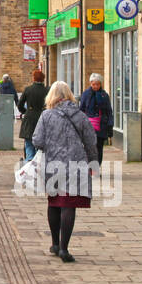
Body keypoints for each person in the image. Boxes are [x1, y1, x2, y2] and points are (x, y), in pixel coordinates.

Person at [30, 81, 98, 262]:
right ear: (69, 95)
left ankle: (54, 244)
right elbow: (91, 141)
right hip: (76, 164)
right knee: (69, 204)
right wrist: (93, 163)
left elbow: (37, 140)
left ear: (52, 96)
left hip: (53, 163)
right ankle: (64, 248)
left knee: (54, 202)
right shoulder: (80, 116)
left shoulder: (46, 115)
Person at [77, 74, 114, 166]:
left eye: (97, 84)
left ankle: (96, 167)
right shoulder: (85, 94)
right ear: (90, 84)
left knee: (99, 148)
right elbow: (81, 110)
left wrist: (110, 126)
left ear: (101, 84)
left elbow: (109, 111)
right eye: (94, 84)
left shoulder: (104, 95)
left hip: (101, 126)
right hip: (88, 126)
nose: (96, 86)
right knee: (88, 147)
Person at [17, 69, 47, 161]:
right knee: (40, 145)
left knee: (29, 144)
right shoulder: (47, 90)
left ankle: (29, 164)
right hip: (43, 118)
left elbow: (20, 105)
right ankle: (38, 165)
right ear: (43, 79)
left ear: (34, 78)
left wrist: (25, 112)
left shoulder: (28, 90)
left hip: (29, 118)